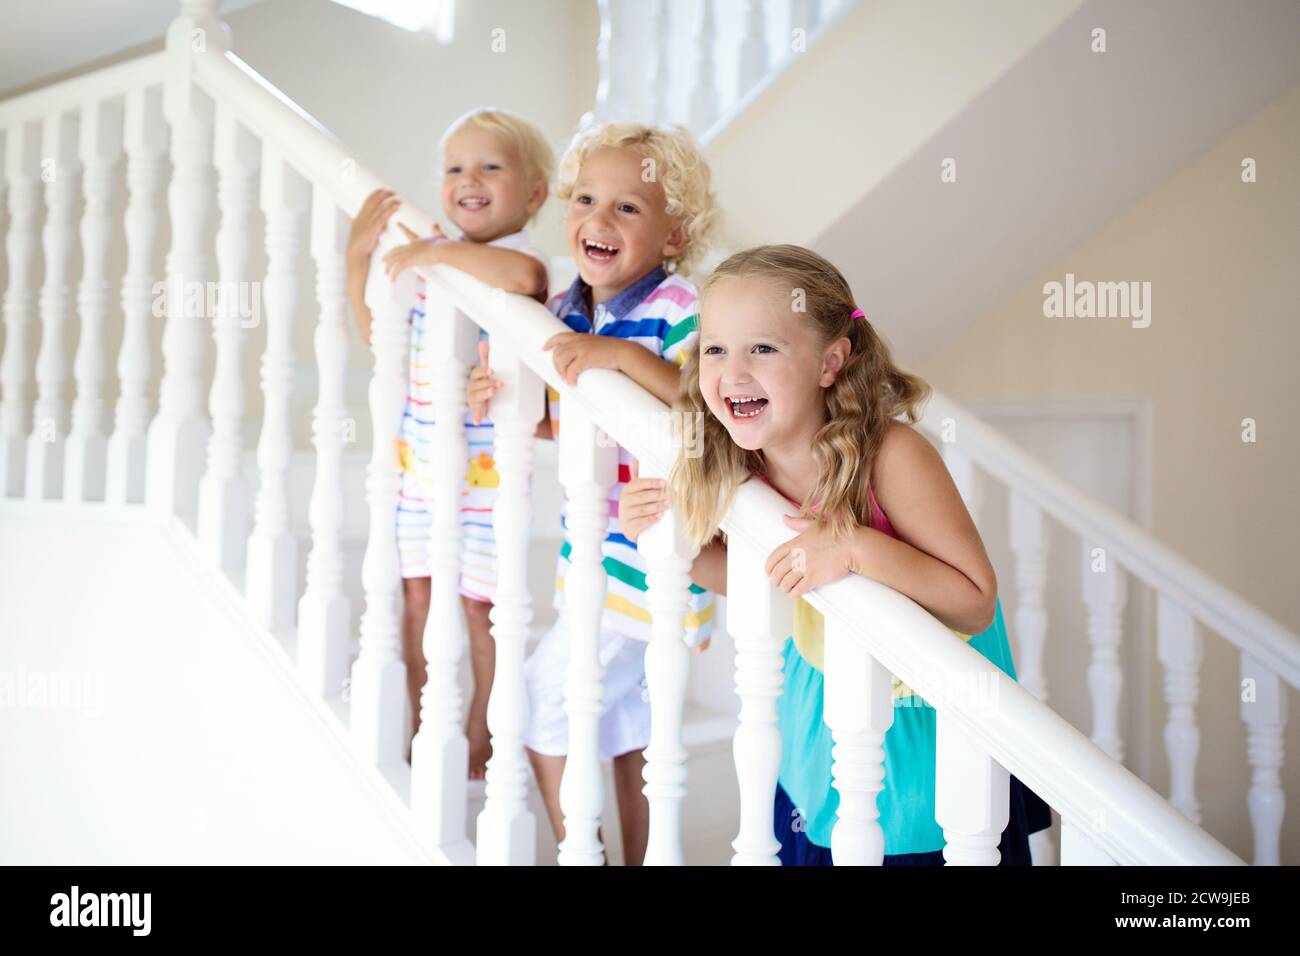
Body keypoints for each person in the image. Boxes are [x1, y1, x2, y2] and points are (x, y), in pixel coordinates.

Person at [621, 243, 1052, 864]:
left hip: (923, 722)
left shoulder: (892, 455)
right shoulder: (742, 464)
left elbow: (974, 601)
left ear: (830, 361)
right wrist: (677, 547)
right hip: (822, 702)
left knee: (919, 842)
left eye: (762, 348)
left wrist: (854, 546)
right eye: (715, 349)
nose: (733, 371)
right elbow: (752, 574)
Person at [468, 121, 719, 864]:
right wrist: (503, 395)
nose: (598, 221)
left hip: (649, 560)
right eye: (585, 200)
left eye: (627, 208)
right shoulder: (569, 306)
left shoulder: (681, 308)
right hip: (592, 556)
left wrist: (616, 356)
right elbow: (570, 421)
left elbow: (706, 404)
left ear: (674, 234)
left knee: (545, 704)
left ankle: (591, 853)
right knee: (623, 729)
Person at [347, 107, 552, 774]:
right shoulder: (432, 265)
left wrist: (433, 251)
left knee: (478, 602)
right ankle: (418, 716)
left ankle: (481, 729)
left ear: (534, 194)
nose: (470, 178)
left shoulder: (512, 259)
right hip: (420, 467)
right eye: (455, 167)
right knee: (415, 595)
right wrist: (359, 258)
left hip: (485, 476)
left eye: (491, 166)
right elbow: (378, 332)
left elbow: (524, 285)